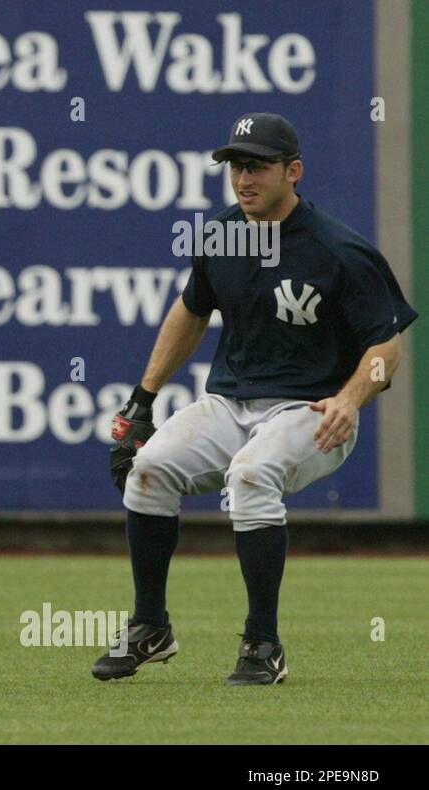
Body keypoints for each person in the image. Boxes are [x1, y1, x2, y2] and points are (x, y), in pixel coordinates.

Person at [96, 113, 417, 685]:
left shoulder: (338, 248)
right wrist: (143, 399)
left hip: (312, 410)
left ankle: (263, 644)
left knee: (250, 475)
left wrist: (350, 399)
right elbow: (192, 311)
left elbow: (386, 345)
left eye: (258, 167)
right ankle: (150, 627)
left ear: (292, 172)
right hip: (230, 402)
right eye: (236, 166)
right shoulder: (222, 235)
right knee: (149, 470)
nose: (244, 179)